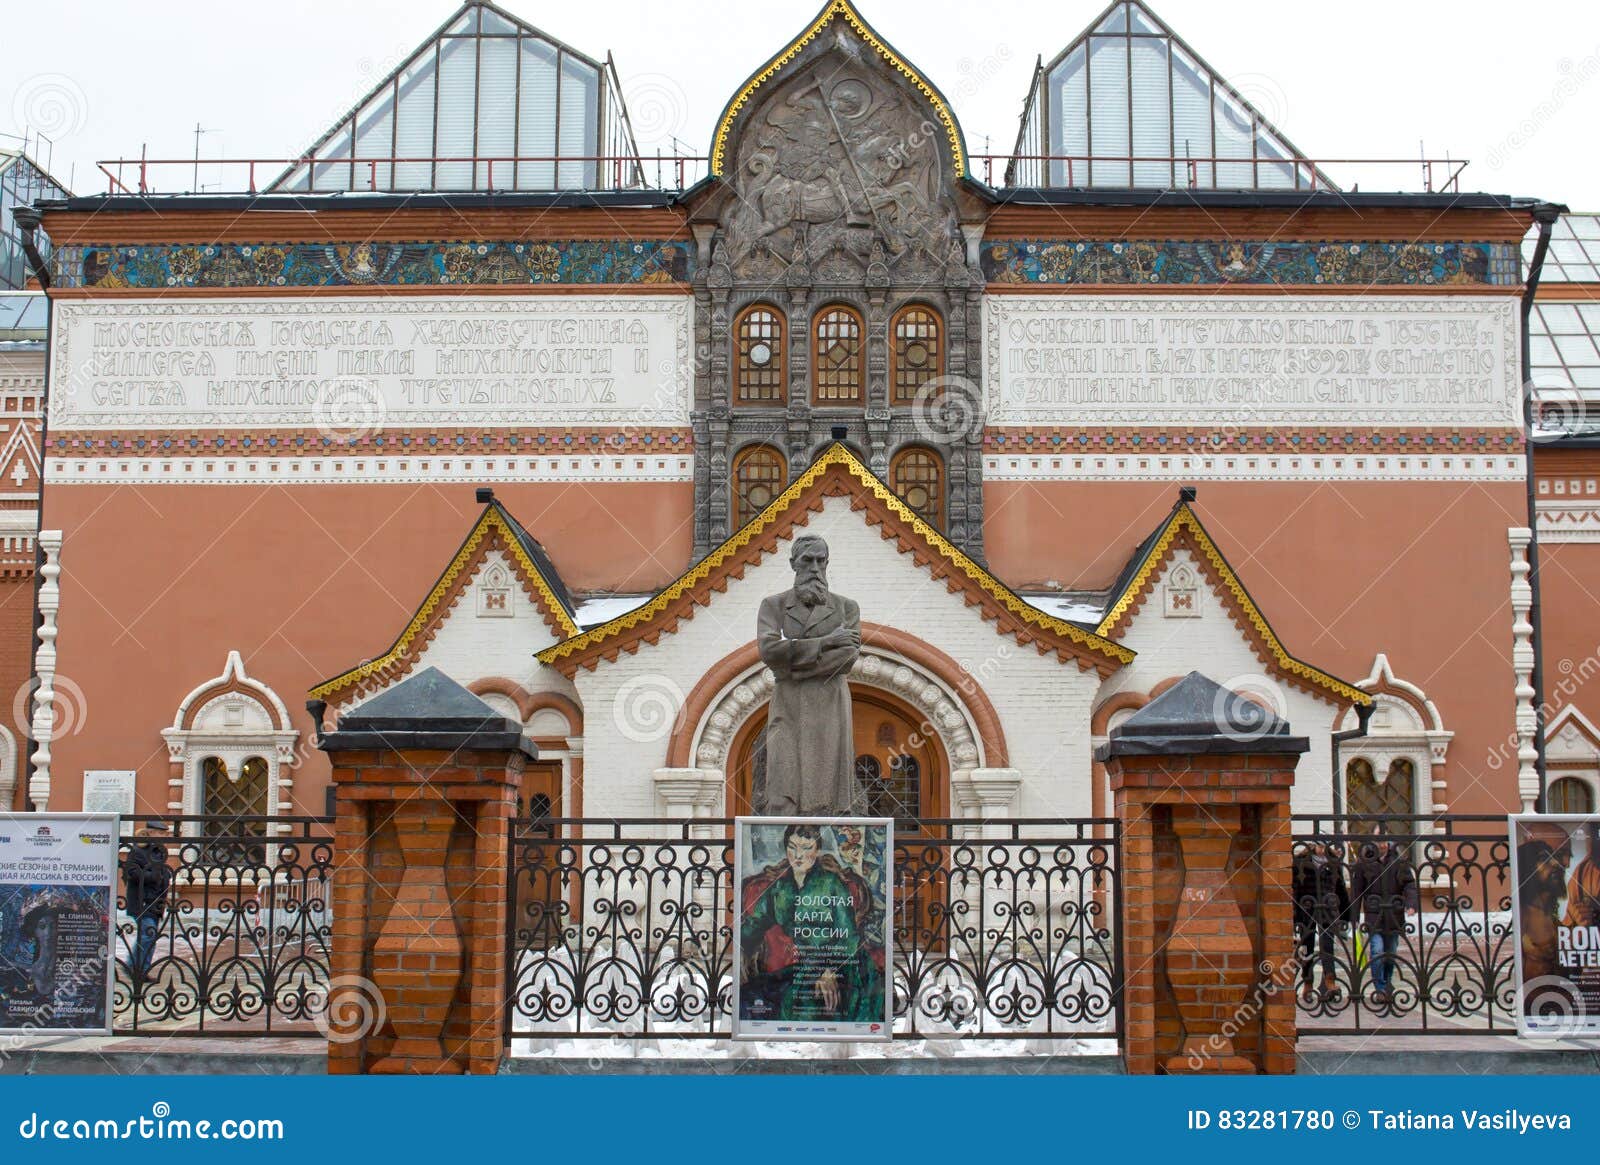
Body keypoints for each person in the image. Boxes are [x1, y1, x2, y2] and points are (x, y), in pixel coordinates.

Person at [754, 535, 864, 816]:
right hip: (788, 705)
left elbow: (847, 658)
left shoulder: (845, 607)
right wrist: (827, 642)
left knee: (828, 783)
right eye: (807, 560)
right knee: (782, 774)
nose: (815, 567)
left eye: (821, 560)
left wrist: (788, 668)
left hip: (830, 707)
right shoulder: (774, 606)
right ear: (793, 563)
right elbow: (769, 650)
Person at [740, 824, 880, 1022]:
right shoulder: (779, 888)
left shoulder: (832, 883)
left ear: (817, 850)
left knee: (803, 1005)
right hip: (808, 967)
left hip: (845, 965)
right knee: (750, 996)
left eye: (806, 848)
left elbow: (848, 936)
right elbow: (756, 923)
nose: (798, 855)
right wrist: (737, 942)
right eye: (792, 846)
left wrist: (832, 970)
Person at [1350, 838, 1418, 1003]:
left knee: (1391, 954)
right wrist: (1354, 916)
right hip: (1374, 915)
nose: (1381, 844)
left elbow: (1409, 884)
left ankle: (1386, 983)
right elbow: (1357, 890)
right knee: (1377, 951)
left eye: (1384, 840)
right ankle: (1380, 988)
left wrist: (1411, 904)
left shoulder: (1399, 861)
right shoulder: (1364, 862)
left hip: (1394, 916)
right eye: (1378, 840)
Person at [1292, 841, 1350, 1002]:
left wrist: (1346, 914)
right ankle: (1308, 982)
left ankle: (1330, 980)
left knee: (1327, 945)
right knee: (1307, 947)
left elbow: (1340, 888)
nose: (1321, 849)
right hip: (1307, 908)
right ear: (1312, 845)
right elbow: (1295, 888)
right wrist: (1295, 914)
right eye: (1319, 845)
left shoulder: (1333, 863)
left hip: (1327, 909)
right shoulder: (1301, 862)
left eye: (1324, 845)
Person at [122, 822, 171, 977]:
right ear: (151, 833)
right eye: (161, 834)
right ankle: (134, 967)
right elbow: (131, 873)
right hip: (142, 901)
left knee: (151, 935)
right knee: (148, 934)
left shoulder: (159, 852)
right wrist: (153, 876)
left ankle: (141, 969)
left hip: (156, 901)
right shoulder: (138, 851)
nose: (165, 837)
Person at [1560, 822, 1600, 930]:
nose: (1591, 844)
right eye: (1589, 836)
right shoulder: (1582, 872)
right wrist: (1577, 921)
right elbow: (1567, 926)